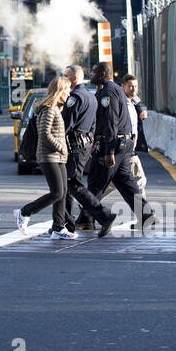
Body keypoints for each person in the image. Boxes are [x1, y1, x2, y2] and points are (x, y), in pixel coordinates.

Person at [77, 63, 155, 237]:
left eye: (95, 71)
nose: (92, 73)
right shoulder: (113, 90)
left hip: (113, 144)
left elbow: (111, 122)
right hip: (122, 144)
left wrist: (109, 150)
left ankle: (87, 219)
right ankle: (146, 215)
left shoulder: (107, 92)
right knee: (125, 183)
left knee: (97, 182)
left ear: (103, 74)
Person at [14, 76, 77, 239]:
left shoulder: (56, 108)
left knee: (62, 192)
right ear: (60, 91)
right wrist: (62, 147)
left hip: (59, 157)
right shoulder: (49, 109)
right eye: (67, 90)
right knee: (56, 193)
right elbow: (45, 134)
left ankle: (58, 228)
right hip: (49, 156)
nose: (69, 93)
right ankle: (24, 212)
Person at [60, 65, 98, 233]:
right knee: (71, 184)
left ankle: (68, 221)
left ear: (74, 79)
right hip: (85, 144)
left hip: (74, 145)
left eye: (66, 76)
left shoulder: (74, 97)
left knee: (70, 184)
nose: (63, 79)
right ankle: (67, 221)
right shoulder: (91, 96)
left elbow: (66, 124)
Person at [119, 75, 151, 197]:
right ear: (123, 86)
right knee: (139, 180)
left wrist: (143, 111)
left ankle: (90, 201)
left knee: (112, 181)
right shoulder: (121, 102)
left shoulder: (134, 101)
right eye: (130, 86)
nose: (134, 89)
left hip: (128, 147)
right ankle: (143, 214)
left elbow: (140, 105)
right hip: (125, 146)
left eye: (136, 86)